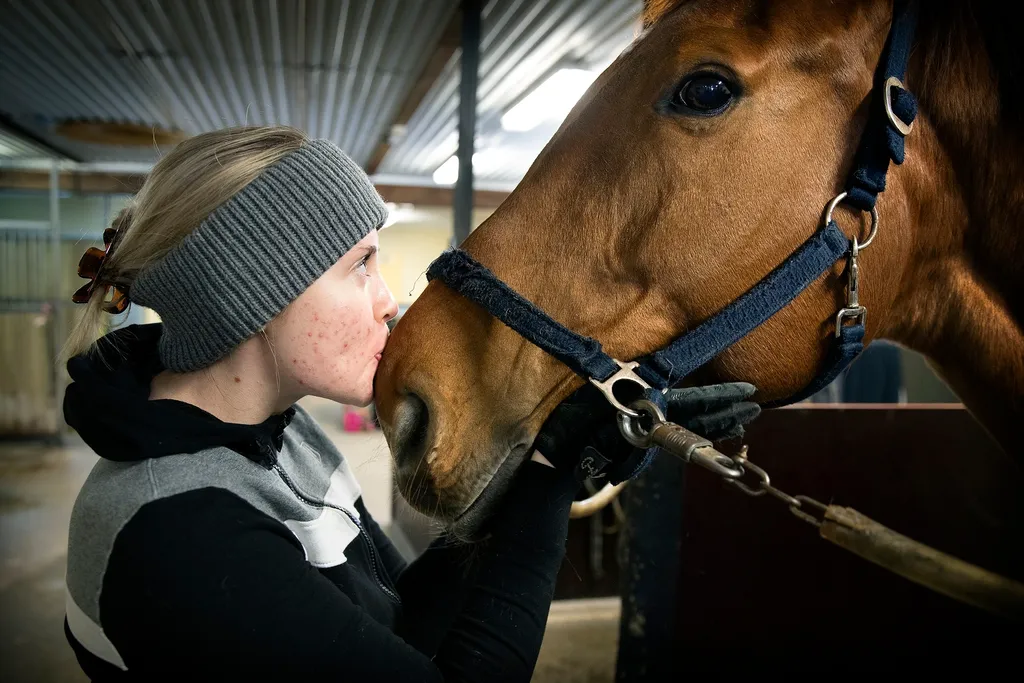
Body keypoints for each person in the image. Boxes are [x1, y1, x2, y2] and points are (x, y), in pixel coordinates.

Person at [61, 126, 759, 681]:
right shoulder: (179, 534)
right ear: (252, 295)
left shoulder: (275, 435)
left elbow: (406, 619)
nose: (388, 298)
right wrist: (546, 485)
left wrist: (555, 457)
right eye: (359, 264)